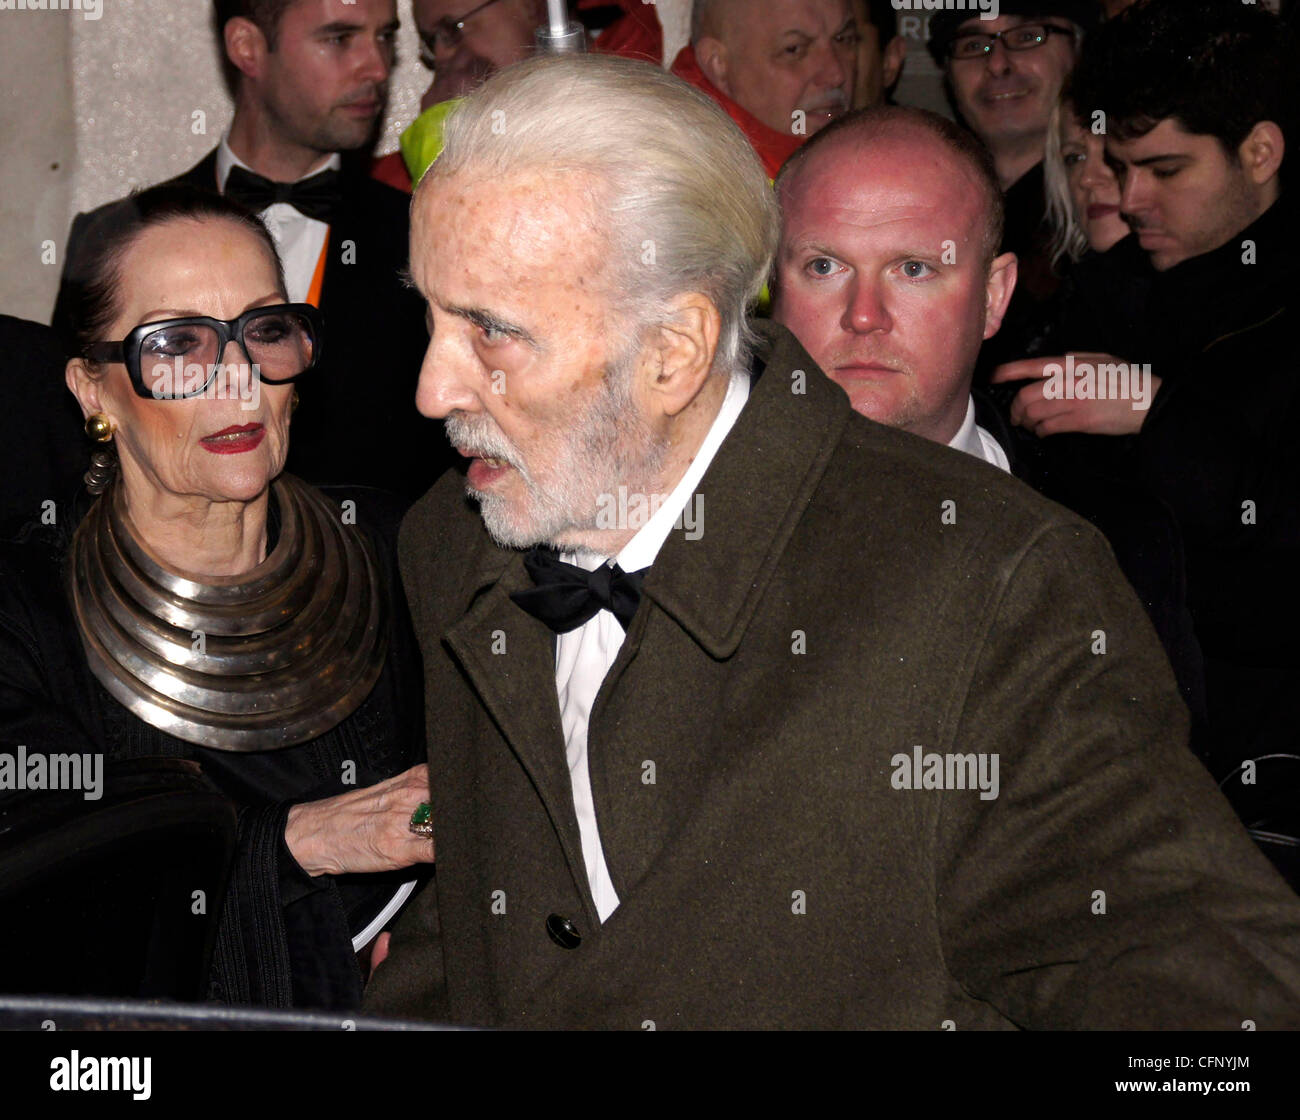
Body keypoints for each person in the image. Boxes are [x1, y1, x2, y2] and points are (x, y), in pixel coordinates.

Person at [363, 54, 1300, 1029]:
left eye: (492, 333)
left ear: (674, 350)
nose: (434, 390)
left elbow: (1210, 997)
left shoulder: (992, 580)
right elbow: (487, 928)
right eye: (429, 315)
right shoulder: (453, 539)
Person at [5, 184, 434, 1010]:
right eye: (178, 345)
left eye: (265, 331)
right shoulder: (24, 615)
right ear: (93, 390)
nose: (238, 381)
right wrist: (304, 842)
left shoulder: (402, 550)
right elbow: (59, 914)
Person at [993, 0, 1299, 784]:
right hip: (1109, 749)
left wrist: (1157, 416)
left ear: (1260, 152)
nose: (1129, 199)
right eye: (1119, 168)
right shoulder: (1110, 291)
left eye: (1166, 170)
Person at [55, 0, 452, 501]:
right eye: (339, 38)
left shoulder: (425, 232)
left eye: (384, 38)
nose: (376, 67)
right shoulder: (109, 238)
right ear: (246, 46)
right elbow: (63, 448)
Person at [927, 1, 1096, 367]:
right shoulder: (921, 208)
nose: (998, 64)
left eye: (1027, 37)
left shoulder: (1122, 208)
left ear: (1079, 48)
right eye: (973, 45)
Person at [374, 0, 663, 191]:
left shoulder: (656, 109)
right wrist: (439, 137)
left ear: (534, 6)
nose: (441, 55)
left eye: (451, 29)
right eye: (429, 42)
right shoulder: (389, 182)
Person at [671, 0, 859, 177]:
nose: (836, 75)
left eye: (843, 39)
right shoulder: (685, 184)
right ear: (718, 65)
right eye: (794, 49)